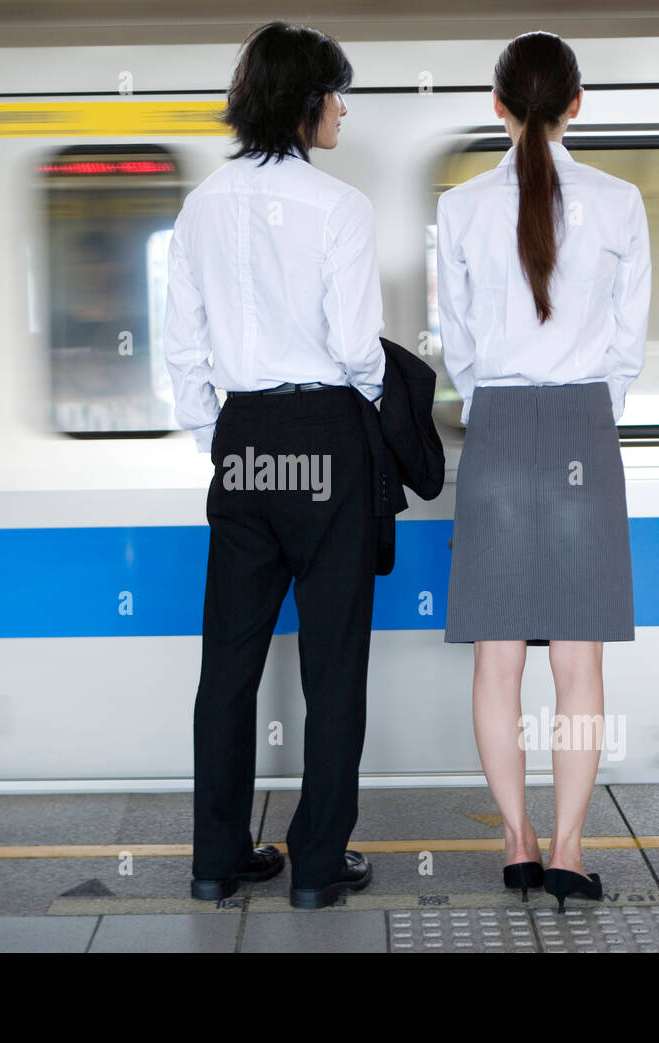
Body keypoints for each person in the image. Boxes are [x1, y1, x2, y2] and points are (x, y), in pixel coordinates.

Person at [163, 21, 385, 910]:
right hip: (326, 434)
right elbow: (357, 349)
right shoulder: (341, 209)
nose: (342, 109)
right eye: (335, 93)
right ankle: (318, 864)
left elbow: (183, 348)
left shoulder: (201, 204)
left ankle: (216, 860)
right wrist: (361, 410)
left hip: (242, 441)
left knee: (228, 666)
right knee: (334, 667)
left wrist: (217, 440)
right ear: (303, 104)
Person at [436, 31, 652, 912]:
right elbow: (628, 347)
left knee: (495, 662)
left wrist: (497, 405)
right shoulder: (622, 201)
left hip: (498, 429)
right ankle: (568, 849)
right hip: (581, 430)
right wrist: (592, 413)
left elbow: (457, 346)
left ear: (497, 106)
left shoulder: (458, 208)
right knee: (579, 665)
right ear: (576, 104)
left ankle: (516, 843)